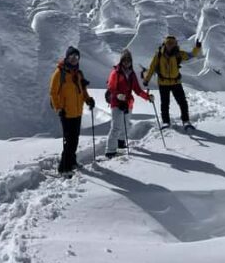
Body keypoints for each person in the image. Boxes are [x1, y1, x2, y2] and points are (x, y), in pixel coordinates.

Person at [50, 46, 95, 175]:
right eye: (72, 57)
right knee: (69, 141)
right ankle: (64, 168)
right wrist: (58, 108)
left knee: (74, 139)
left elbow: (83, 91)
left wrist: (88, 99)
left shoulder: (78, 73)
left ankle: (72, 161)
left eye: (76, 57)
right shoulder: (59, 73)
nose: (74, 59)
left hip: (77, 112)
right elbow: (53, 93)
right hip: (65, 113)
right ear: (67, 57)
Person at [143, 35, 201, 130]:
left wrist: (197, 48)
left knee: (182, 102)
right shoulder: (159, 55)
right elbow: (152, 68)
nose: (170, 45)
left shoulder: (178, 54)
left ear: (175, 44)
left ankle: (185, 121)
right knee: (165, 103)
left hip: (175, 82)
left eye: (172, 44)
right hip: (163, 83)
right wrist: (146, 79)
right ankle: (166, 122)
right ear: (165, 44)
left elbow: (191, 55)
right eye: (168, 43)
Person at [106, 49, 153, 158]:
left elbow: (137, 90)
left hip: (128, 103)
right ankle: (110, 151)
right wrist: (118, 95)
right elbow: (111, 87)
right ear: (121, 61)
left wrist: (147, 97)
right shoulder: (116, 73)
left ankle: (121, 145)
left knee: (125, 126)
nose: (126, 62)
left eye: (128, 60)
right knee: (116, 127)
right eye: (124, 60)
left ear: (131, 61)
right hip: (116, 103)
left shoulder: (132, 74)